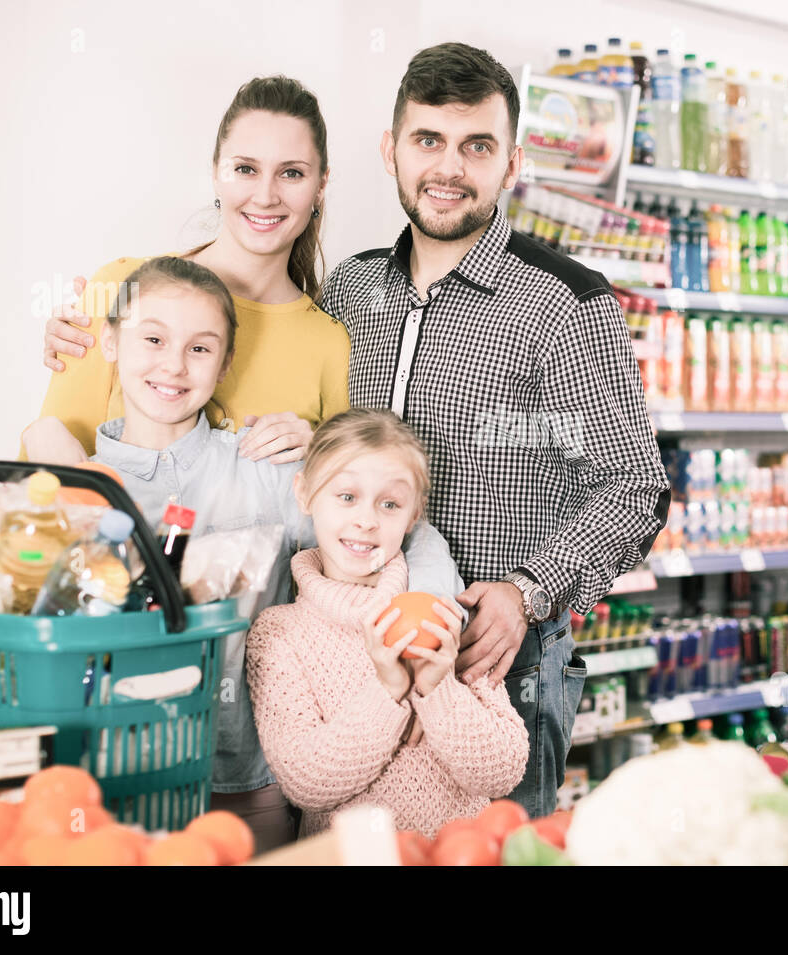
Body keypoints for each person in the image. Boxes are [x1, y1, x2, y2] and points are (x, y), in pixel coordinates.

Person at [319, 43, 670, 818]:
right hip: (356, 661)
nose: (450, 168)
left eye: (476, 146)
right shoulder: (350, 288)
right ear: (391, 150)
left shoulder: (564, 303)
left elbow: (636, 488)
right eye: (428, 141)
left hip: (493, 667)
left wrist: (528, 591)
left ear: (510, 163)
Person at [27, 255, 464, 851]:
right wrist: (45, 441)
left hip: (245, 782)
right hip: (107, 777)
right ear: (109, 341)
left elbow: (401, 527)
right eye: (152, 338)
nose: (173, 365)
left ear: (226, 362)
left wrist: (430, 614)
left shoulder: (264, 469)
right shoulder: (70, 477)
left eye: (200, 349)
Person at [27, 75, 347, 466]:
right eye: (245, 169)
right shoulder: (120, 288)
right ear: (215, 173)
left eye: (292, 173)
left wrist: (322, 457)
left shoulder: (332, 346)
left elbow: (343, 507)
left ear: (321, 185)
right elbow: (44, 472)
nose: (265, 196)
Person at [246, 408, 528, 839]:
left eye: (390, 504)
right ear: (304, 494)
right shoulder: (279, 633)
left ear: (414, 515)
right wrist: (389, 690)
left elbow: (503, 771)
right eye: (346, 497)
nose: (366, 520)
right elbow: (306, 783)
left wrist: (438, 688)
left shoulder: (441, 612)